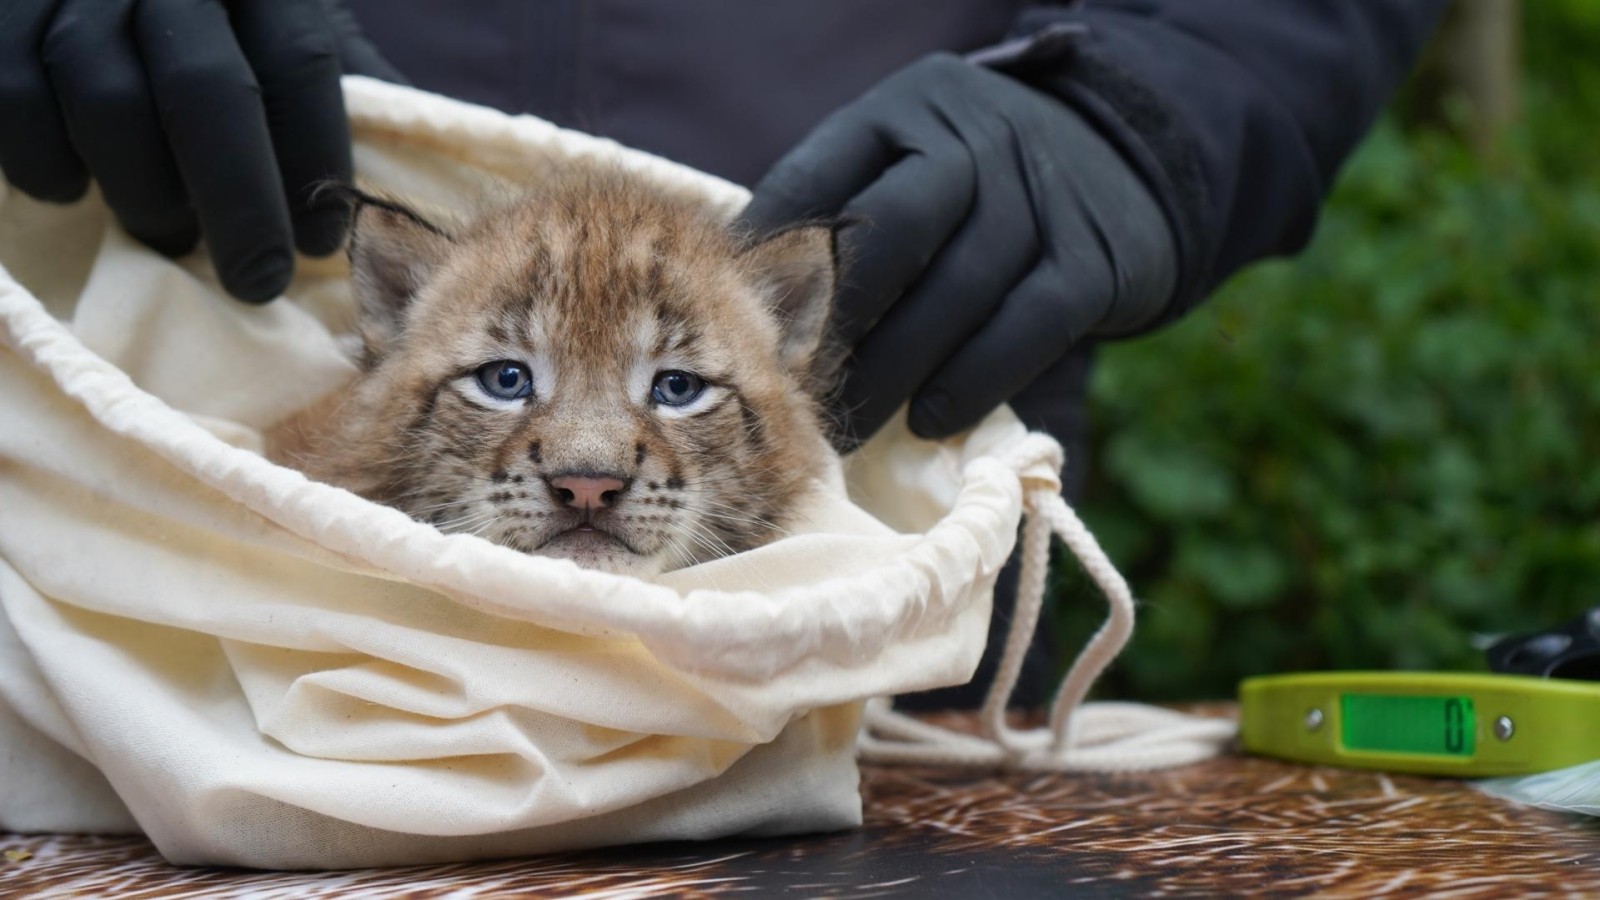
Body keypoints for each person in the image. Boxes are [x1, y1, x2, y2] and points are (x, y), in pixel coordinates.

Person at [0, 0, 1444, 706]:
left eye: (674, 394)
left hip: (891, 690)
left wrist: (1152, 103)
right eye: (507, 382)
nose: (581, 469)